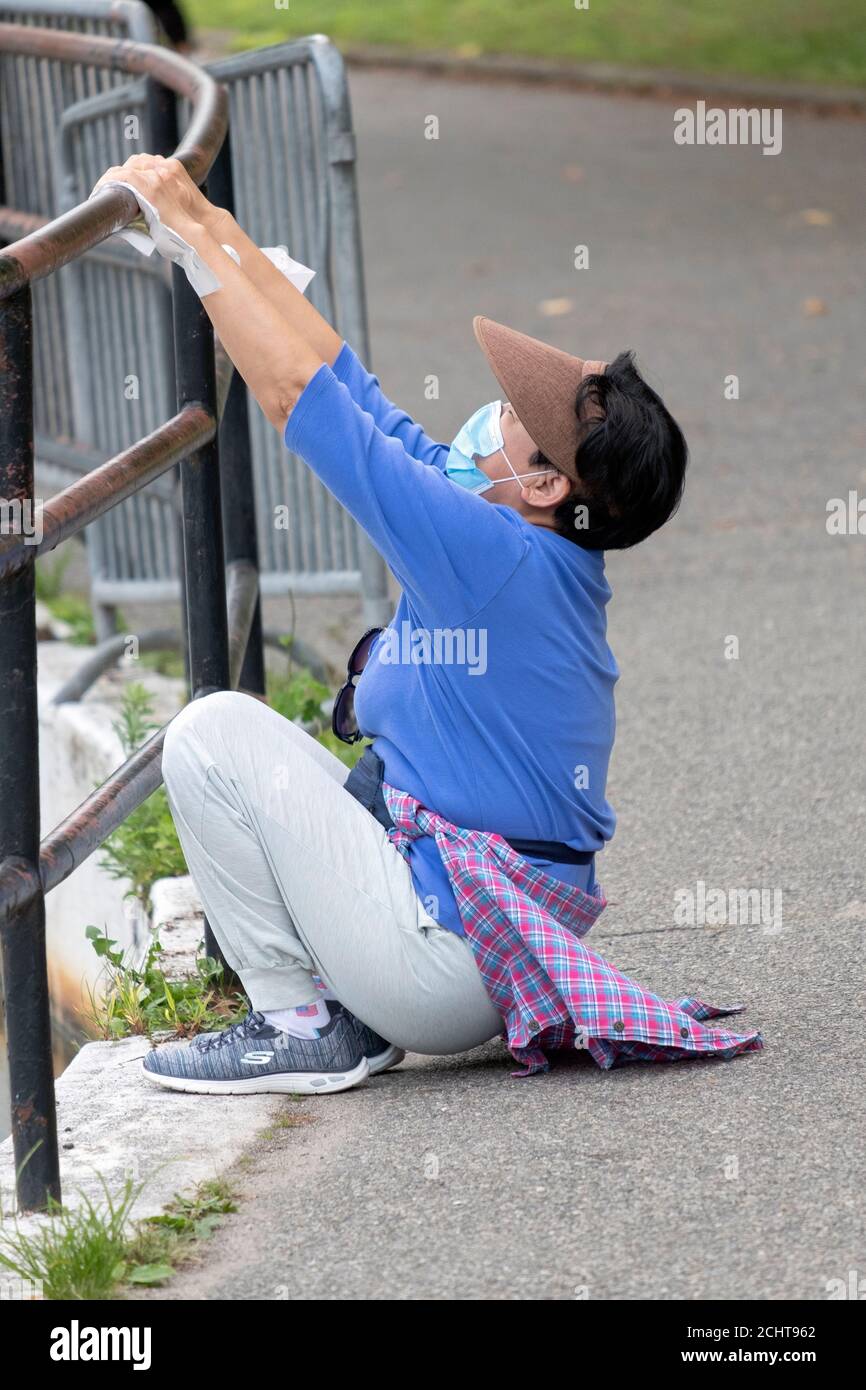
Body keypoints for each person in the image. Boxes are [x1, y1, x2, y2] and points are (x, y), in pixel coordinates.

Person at [91, 154, 764, 1096]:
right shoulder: (526, 549)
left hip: (443, 961)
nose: (489, 414)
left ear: (542, 486)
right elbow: (346, 384)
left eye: (515, 417)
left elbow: (301, 403)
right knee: (238, 739)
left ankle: (301, 1024)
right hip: (467, 934)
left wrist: (194, 247)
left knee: (212, 735)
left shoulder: (493, 560)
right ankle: (339, 1013)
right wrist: (203, 222)